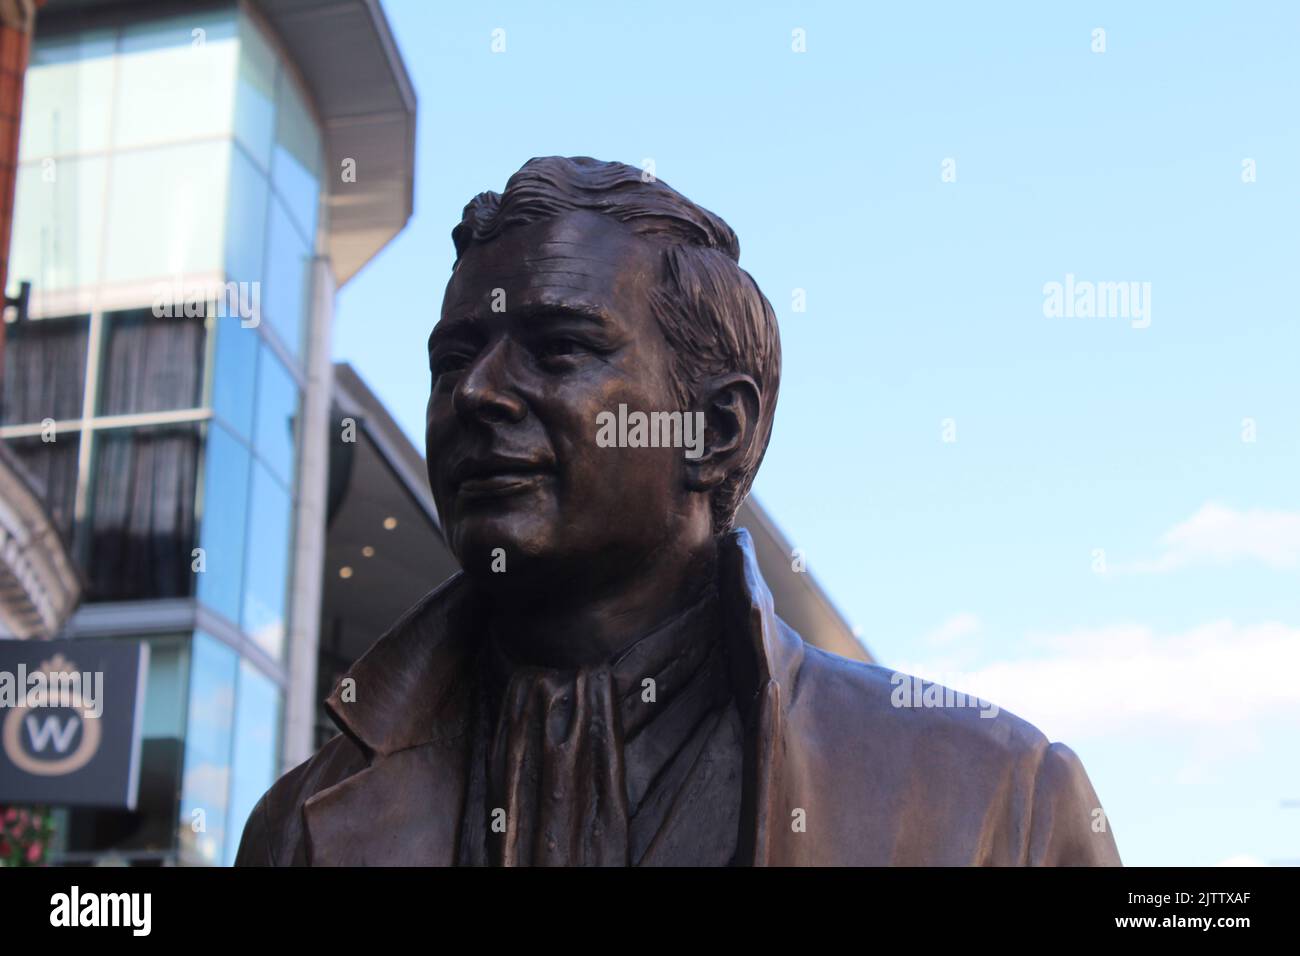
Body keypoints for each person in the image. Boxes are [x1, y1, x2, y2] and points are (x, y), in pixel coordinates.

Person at [235, 156, 1121, 866]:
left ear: (717, 428)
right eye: (453, 358)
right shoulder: (296, 829)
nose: (476, 392)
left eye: (559, 349)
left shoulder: (997, 798)